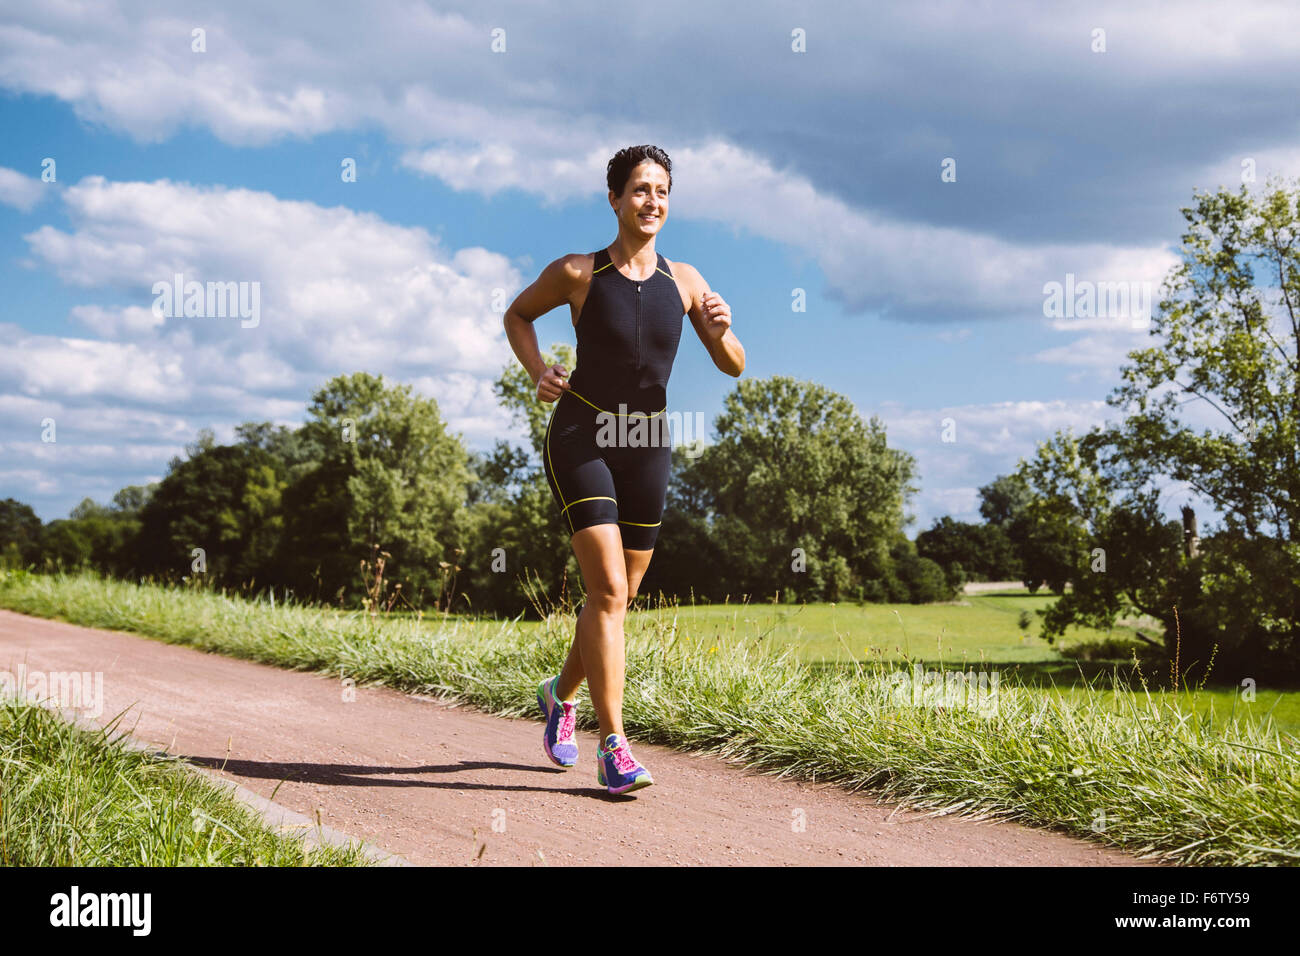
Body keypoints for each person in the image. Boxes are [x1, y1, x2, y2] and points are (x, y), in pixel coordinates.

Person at [502, 144, 745, 794]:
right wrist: (537, 371)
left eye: (662, 190)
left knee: (616, 598)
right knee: (608, 592)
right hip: (584, 436)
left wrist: (720, 331)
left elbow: (735, 364)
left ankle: (559, 694)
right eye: (640, 189)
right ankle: (614, 745)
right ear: (614, 199)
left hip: (647, 443)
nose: (653, 201)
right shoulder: (579, 272)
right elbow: (517, 314)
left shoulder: (685, 280)